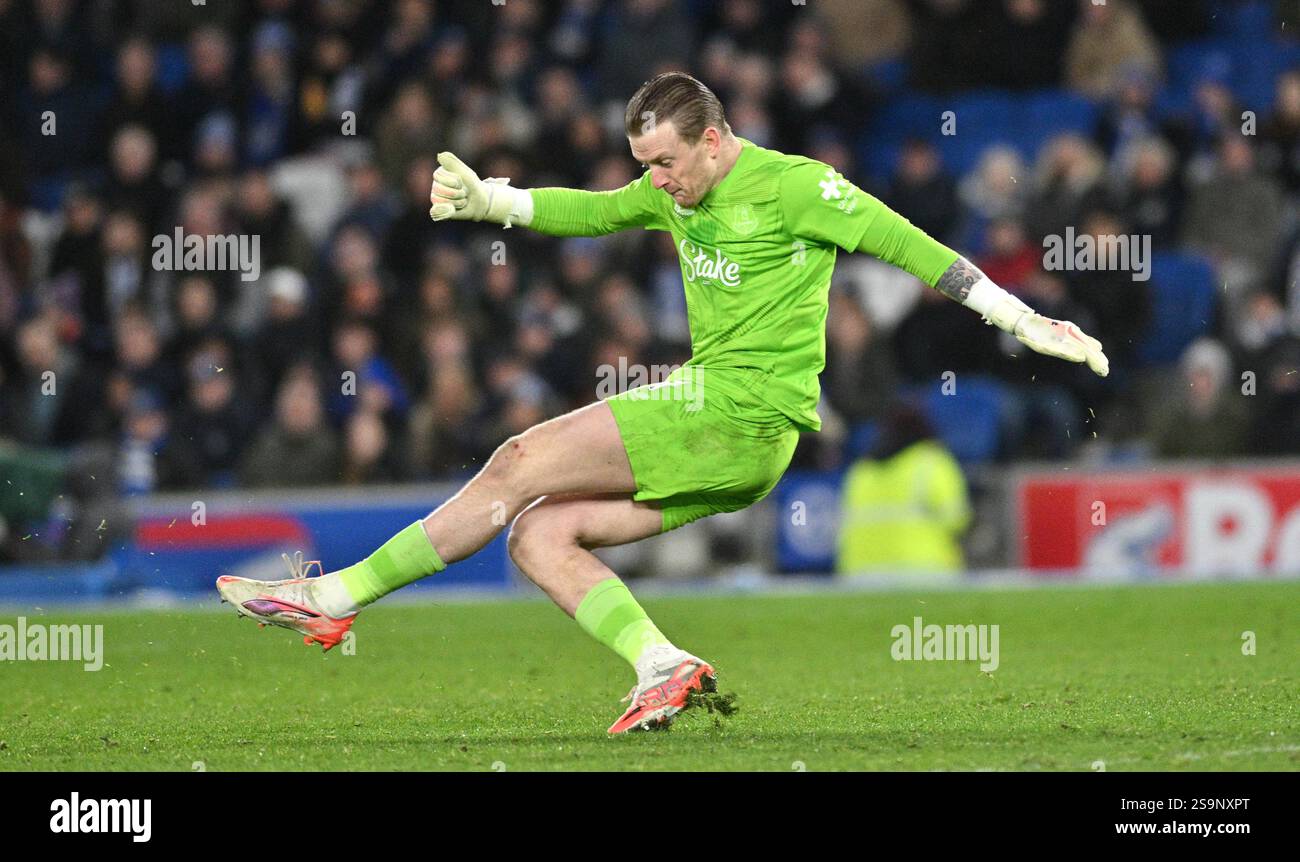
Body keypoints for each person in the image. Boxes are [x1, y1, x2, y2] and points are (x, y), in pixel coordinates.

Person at [217, 72, 1109, 734]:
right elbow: (597, 212)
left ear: (714, 140)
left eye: (669, 163)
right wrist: (498, 200)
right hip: (729, 433)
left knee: (515, 462)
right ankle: (660, 662)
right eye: (646, 163)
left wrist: (1022, 318)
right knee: (537, 532)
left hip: (742, 413)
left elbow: (914, 248)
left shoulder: (797, 187)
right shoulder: (665, 188)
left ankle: (337, 596)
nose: (659, 181)